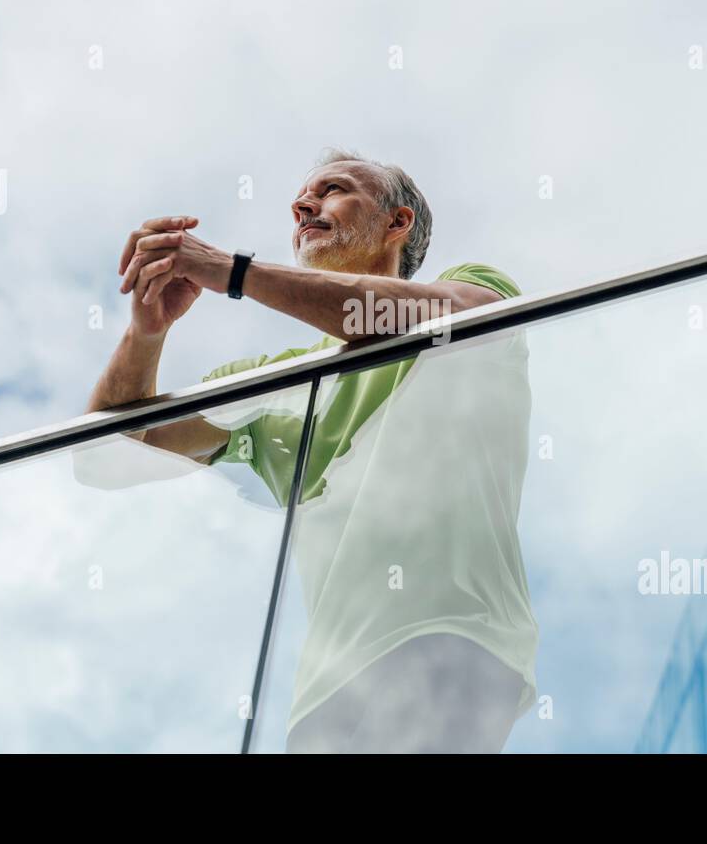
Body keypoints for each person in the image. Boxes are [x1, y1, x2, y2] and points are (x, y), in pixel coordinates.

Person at [86, 148, 538, 752]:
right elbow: (102, 459)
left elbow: (425, 314)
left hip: (453, 641)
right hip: (323, 703)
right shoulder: (273, 384)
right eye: (302, 196)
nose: (303, 205)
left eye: (332, 190)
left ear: (396, 224)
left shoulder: (474, 290)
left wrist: (234, 273)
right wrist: (146, 335)